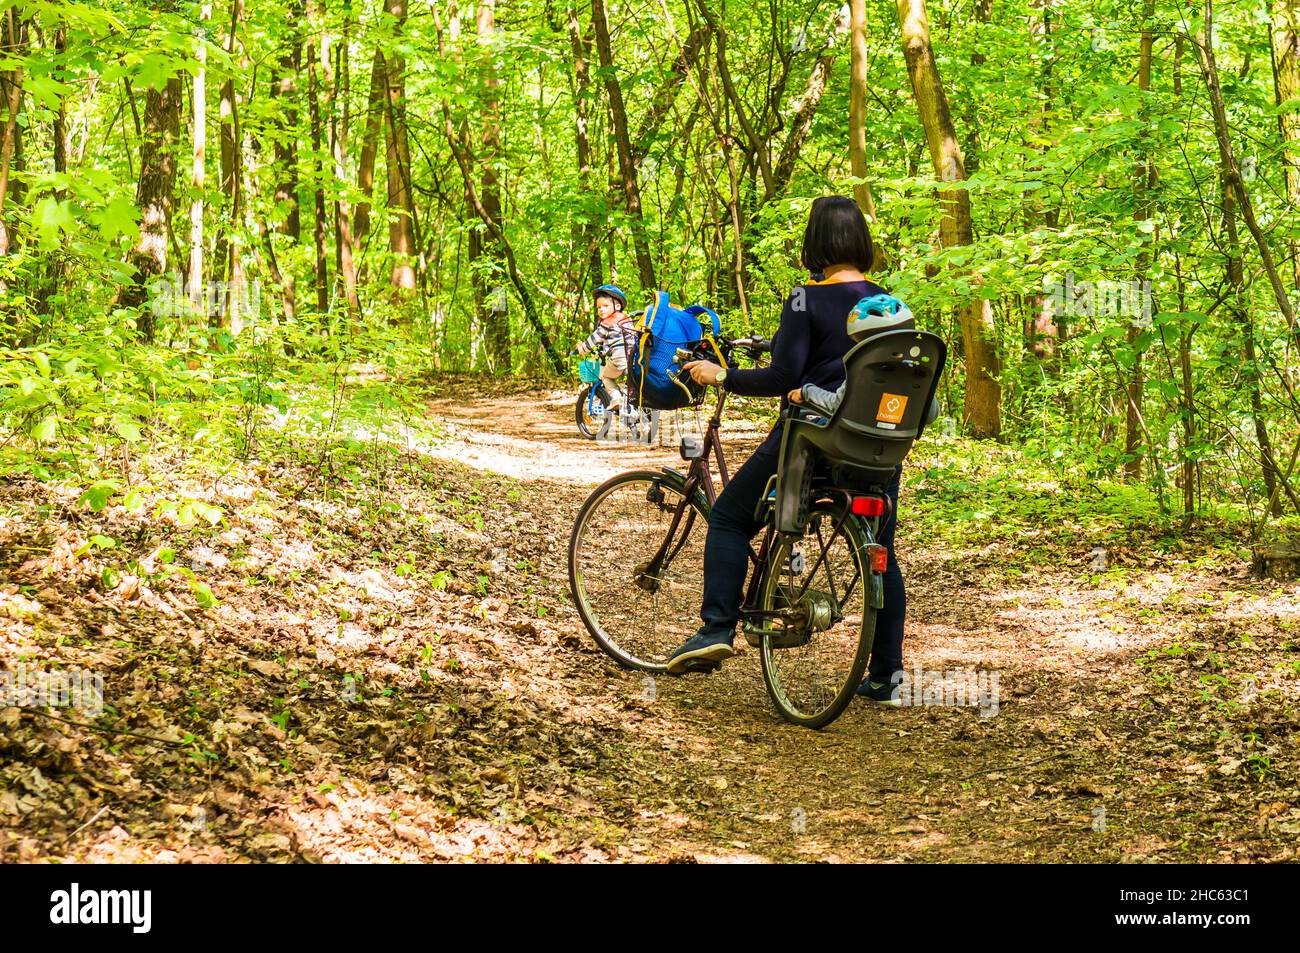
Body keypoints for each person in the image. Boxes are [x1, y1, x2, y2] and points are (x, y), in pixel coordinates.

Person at [670, 195, 909, 704]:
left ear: (816, 243)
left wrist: (723, 374)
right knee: (882, 554)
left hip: (814, 442)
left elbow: (784, 377)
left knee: (731, 518)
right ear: (861, 242)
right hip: (878, 450)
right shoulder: (889, 305)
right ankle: (887, 674)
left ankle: (716, 630)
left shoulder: (805, 300)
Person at [789, 293, 939, 429]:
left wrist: (807, 391)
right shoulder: (918, 370)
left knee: (796, 421)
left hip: (847, 442)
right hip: (895, 446)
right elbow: (930, 416)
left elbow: (836, 405)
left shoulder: (865, 366)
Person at [573, 284, 636, 411]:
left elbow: (593, 340)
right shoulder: (627, 320)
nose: (601, 309)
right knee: (631, 385)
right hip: (633, 358)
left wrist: (582, 349)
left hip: (618, 359)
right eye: (599, 307)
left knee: (607, 377)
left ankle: (616, 398)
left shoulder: (606, 324)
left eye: (605, 306)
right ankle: (632, 409)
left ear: (617, 306)